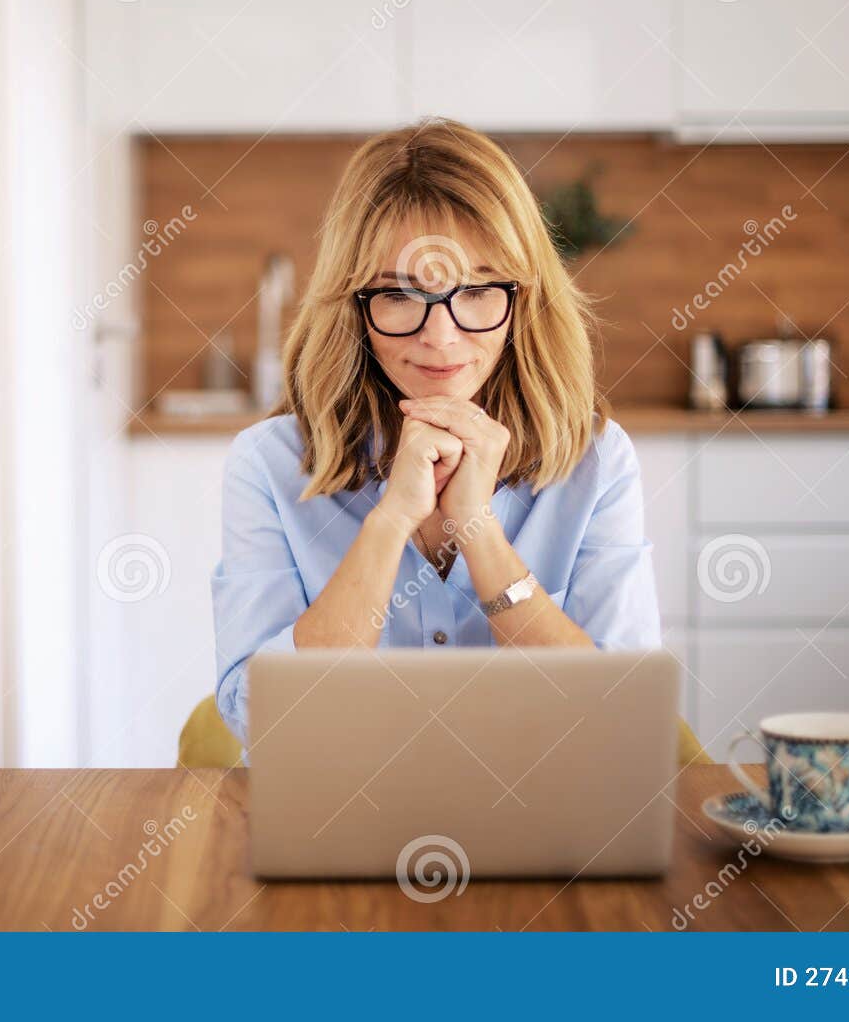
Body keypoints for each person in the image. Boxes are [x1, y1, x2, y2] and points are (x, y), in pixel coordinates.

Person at [211, 119, 661, 745]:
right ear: (353, 305)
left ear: (523, 298)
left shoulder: (595, 462)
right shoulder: (268, 463)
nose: (441, 336)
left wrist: (480, 534)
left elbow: (619, 720)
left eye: (476, 289)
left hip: (541, 819)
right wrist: (390, 521)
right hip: (341, 817)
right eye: (398, 294)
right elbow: (259, 720)